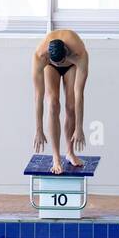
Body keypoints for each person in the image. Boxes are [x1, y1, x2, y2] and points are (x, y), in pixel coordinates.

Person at [31, 30, 89, 175]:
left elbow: (79, 94)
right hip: (49, 68)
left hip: (72, 66)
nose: (59, 64)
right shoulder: (40, 57)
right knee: (53, 104)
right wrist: (38, 129)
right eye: (56, 61)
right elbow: (38, 96)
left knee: (70, 106)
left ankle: (70, 152)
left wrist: (79, 128)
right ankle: (56, 157)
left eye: (61, 62)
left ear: (67, 52)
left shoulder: (80, 54)